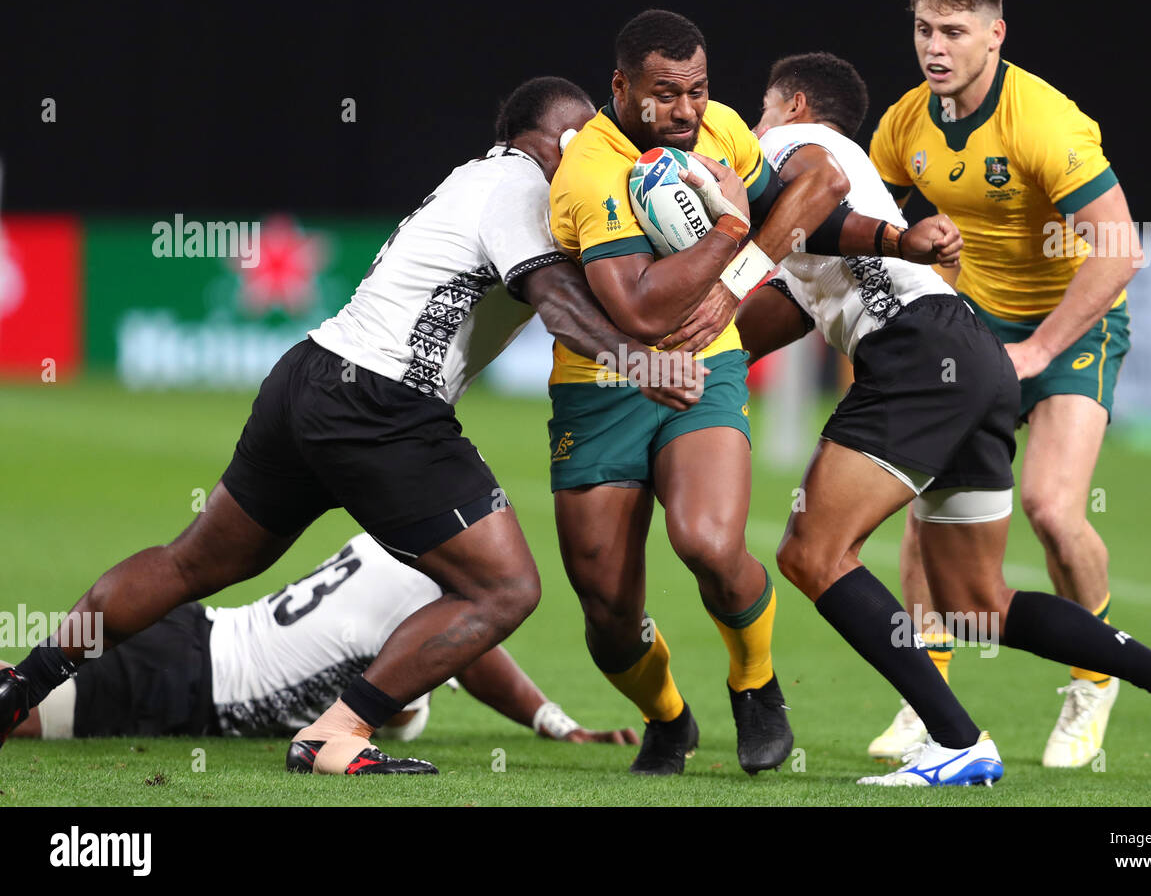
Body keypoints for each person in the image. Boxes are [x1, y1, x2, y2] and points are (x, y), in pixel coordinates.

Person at [0, 76, 700, 776]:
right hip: (383, 403)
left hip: (308, 376)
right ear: (561, 141)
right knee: (504, 588)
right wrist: (641, 363)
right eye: (586, 141)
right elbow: (558, 304)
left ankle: (19, 688)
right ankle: (335, 733)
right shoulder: (520, 187)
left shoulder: (474, 180)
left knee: (189, 561)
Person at [734, 49, 1151, 785]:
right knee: (977, 604)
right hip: (968, 354)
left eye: (762, 110)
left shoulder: (793, 148)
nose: (755, 128)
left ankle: (957, 740)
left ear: (796, 106)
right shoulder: (820, 207)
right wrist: (694, 344)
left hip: (916, 356)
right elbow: (781, 311)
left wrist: (732, 269)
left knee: (812, 553)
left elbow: (822, 187)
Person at [546, 9, 962, 775]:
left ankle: (755, 681)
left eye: (698, 90)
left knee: (708, 543)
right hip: (604, 383)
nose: (686, 110)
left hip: (706, 365)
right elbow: (639, 308)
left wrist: (897, 239)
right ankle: (667, 718)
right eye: (665, 94)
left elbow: (809, 208)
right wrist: (730, 231)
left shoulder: (725, 132)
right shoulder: (591, 171)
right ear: (621, 87)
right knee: (608, 611)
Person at [866, 0, 1146, 768]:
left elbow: (1120, 250)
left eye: (954, 32)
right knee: (927, 501)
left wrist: (1041, 349)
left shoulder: (1045, 123)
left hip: (1073, 328)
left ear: (996, 35)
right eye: (924, 29)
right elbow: (868, 222)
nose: (935, 47)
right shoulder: (906, 123)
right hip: (976, 325)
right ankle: (928, 695)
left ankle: (1094, 679)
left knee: (1052, 509)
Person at [3, 533, 639, 755]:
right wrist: (558, 726)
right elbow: (475, 654)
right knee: (14, 713)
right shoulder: (434, 594)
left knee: (18, 688)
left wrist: (554, 723)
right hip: (183, 683)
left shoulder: (394, 545)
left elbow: (471, 649)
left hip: (191, 636)